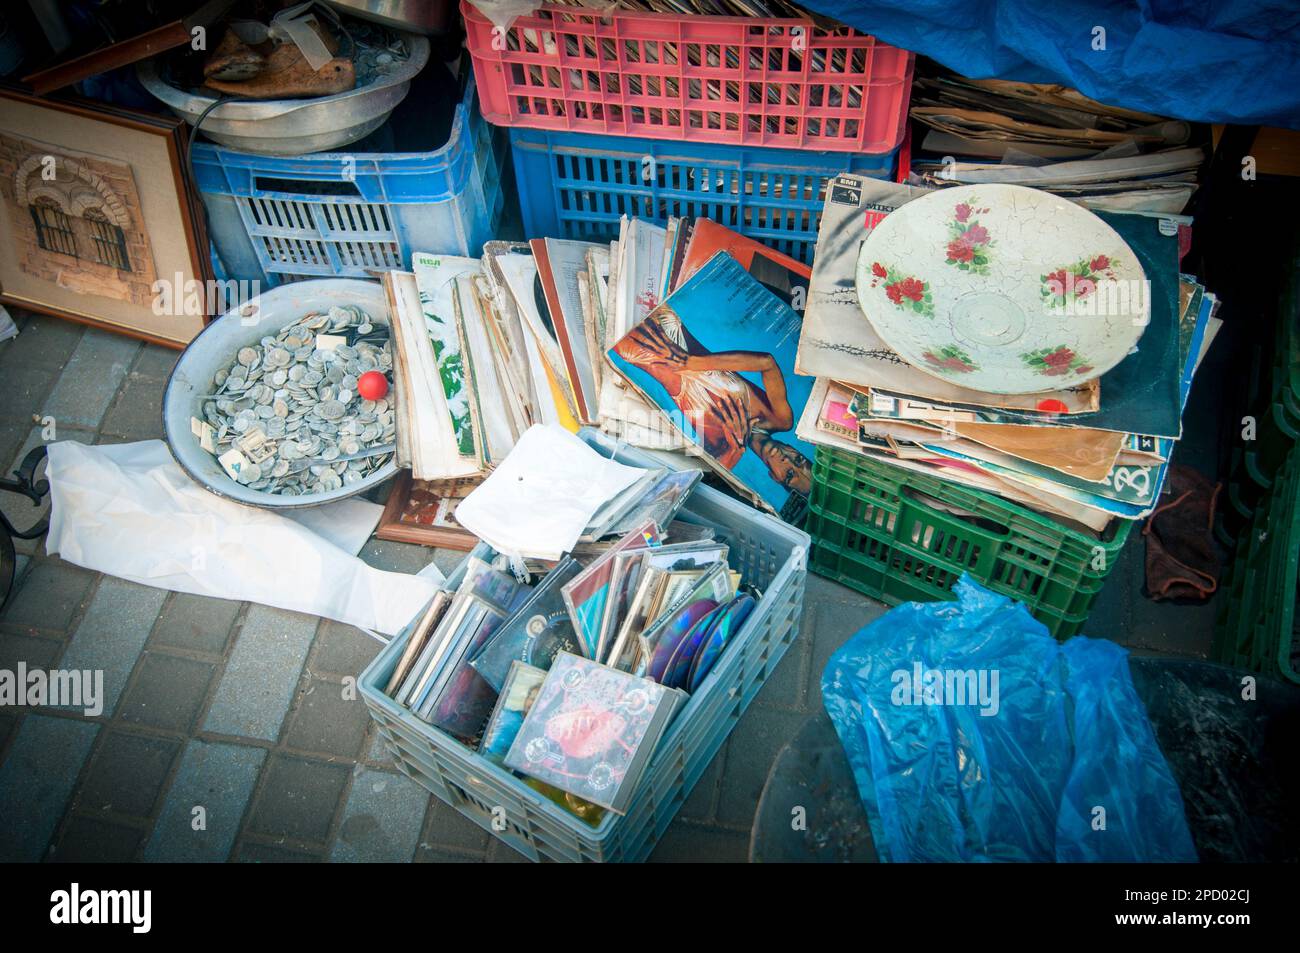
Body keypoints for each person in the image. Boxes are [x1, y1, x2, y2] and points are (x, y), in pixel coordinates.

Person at [615, 309, 812, 497]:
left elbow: (687, 482)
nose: (788, 460)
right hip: (668, 321)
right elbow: (766, 363)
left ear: (775, 478)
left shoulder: (724, 451)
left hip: (638, 348)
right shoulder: (780, 419)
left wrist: (735, 451)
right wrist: (692, 363)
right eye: (799, 459)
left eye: (788, 474)